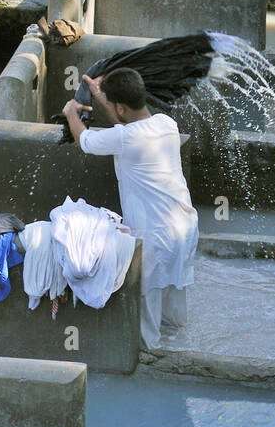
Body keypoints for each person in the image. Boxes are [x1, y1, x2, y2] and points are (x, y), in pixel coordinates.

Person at [63, 67, 198, 348]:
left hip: (154, 237)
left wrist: (71, 114)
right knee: (174, 309)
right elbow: (127, 126)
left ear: (121, 107)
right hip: (184, 227)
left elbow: (85, 141)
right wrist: (102, 97)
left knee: (147, 320)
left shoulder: (125, 138)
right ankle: (183, 351)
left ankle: (153, 363)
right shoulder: (166, 123)